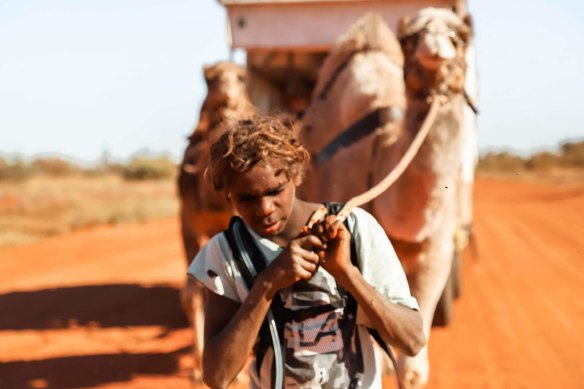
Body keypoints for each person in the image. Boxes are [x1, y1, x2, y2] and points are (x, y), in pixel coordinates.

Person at [187, 114, 425, 389]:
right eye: (247, 198)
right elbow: (216, 376)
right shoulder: (227, 253)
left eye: (275, 191)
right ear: (227, 194)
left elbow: (413, 340)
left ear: (295, 175)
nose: (264, 208)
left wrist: (346, 273)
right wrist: (268, 283)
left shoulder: (355, 229)